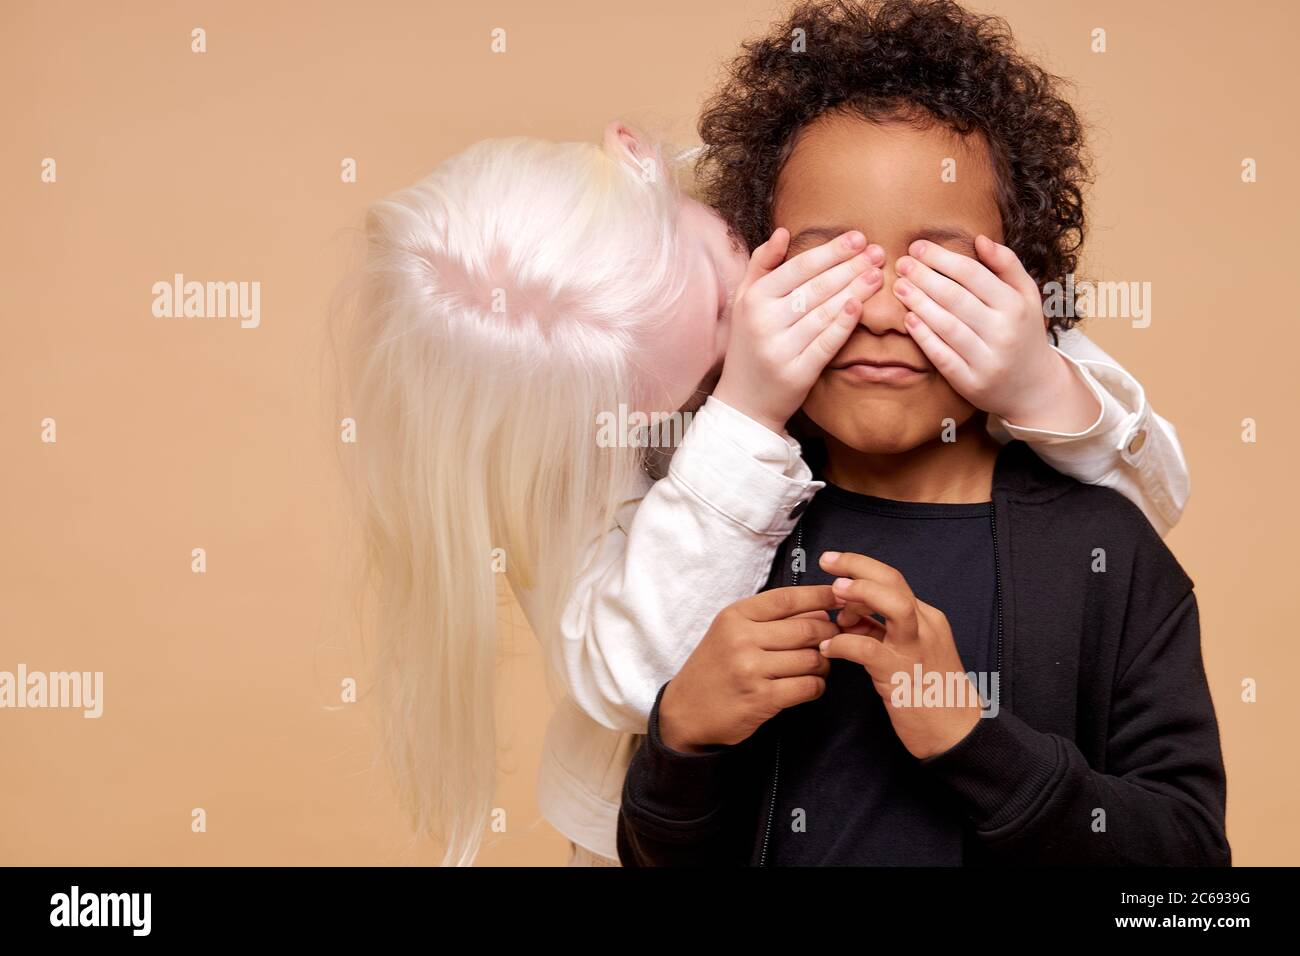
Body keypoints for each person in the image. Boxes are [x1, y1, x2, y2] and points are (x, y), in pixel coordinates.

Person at [341, 120, 1189, 867]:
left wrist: (1038, 382)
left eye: (719, 292)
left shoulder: (828, 187)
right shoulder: (566, 423)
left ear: (641, 159)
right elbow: (640, 678)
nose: (755, 322)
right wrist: (744, 412)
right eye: (695, 387)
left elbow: (1140, 508)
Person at [615, 0, 1228, 866]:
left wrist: (972, 737)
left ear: (1027, 284)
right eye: (831, 262)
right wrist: (681, 739)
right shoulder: (715, 538)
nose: (878, 308)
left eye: (936, 266)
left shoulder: (1106, 550)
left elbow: (1191, 883)